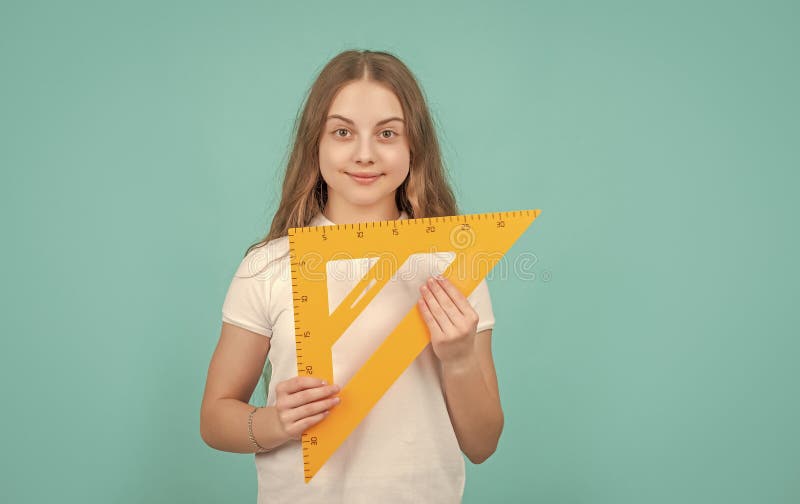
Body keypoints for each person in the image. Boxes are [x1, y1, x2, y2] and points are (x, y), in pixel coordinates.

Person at [200, 49, 504, 503]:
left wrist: (459, 359)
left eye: (387, 133)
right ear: (315, 144)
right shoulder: (269, 266)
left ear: (414, 146)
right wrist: (274, 422)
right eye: (342, 132)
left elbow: (482, 445)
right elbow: (214, 419)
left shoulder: (452, 265)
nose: (365, 154)